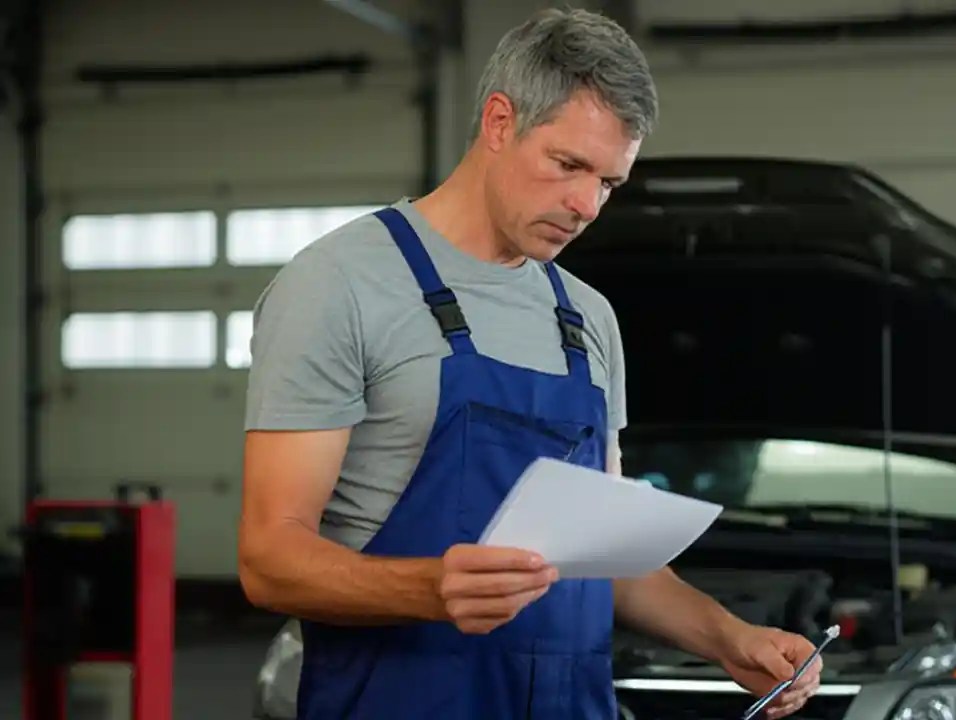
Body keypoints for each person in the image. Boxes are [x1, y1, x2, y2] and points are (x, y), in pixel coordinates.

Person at [237, 7, 821, 719]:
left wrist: (729, 638)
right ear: (498, 122)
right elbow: (269, 558)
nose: (584, 205)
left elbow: (606, 559)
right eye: (568, 164)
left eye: (608, 183)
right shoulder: (341, 285)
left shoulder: (587, 319)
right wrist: (427, 589)